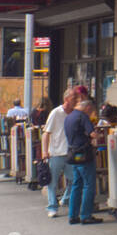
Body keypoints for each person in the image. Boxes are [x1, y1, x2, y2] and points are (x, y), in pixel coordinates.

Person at [65, 97, 101, 225]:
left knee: (76, 184)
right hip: (84, 154)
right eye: (90, 111)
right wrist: (99, 135)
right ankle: (86, 215)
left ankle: (73, 215)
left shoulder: (69, 117)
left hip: (73, 154)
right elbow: (92, 134)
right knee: (88, 185)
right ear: (88, 107)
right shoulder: (83, 117)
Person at [42, 87, 77, 217]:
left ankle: (66, 199)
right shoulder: (56, 113)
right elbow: (46, 133)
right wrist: (45, 151)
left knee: (74, 179)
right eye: (74, 98)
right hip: (56, 152)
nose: (76, 100)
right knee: (52, 181)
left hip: (70, 152)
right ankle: (52, 206)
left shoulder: (75, 113)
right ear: (66, 99)